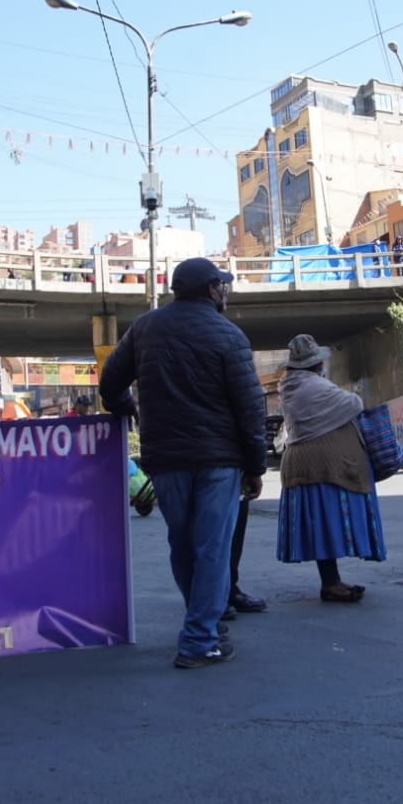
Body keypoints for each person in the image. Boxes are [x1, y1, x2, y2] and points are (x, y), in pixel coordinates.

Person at [98, 258, 266, 669]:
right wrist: (255, 465)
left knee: (183, 541)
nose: (226, 292)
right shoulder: (230, 335)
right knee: (212, 546)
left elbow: (110, 384)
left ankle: (202, 621)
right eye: (222, 286)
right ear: (211, 290)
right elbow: (250, 409)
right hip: (218, 460)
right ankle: (199, 638)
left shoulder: (145, 328)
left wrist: (129, 409)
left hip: (166, 458)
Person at [274, 334, 385, 602]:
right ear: (315, 365)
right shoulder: (313, 386)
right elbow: (354, 404)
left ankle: (331, 580)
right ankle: (331, 584)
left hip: (305, 464)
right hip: (324, 466)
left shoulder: (290, 385)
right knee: (328, 523)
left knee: (320, 525)